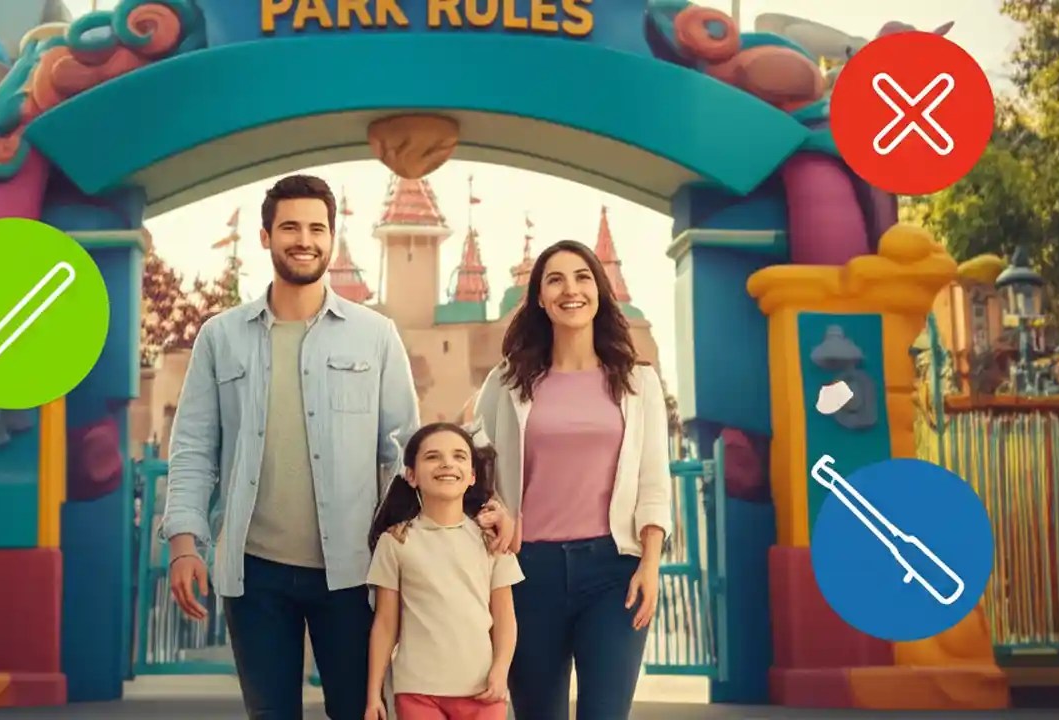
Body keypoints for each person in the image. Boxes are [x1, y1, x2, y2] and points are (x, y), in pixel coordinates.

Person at [161, 174, 490, 719]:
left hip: (355, 570)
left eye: (317, 227)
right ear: (266, 237)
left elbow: (406, 452)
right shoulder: (221, 337)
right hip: (254, 570)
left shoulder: (375, 334)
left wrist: (470, 514)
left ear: (332, 238)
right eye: (290, 226)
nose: (304, 239)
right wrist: (183, 541)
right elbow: (194, 446)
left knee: (359, 711)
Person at [472, 239, 675, 720]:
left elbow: (653, 481)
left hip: (613, 572)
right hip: (526, 572)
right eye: (555, 280)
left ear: (600, 291)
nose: (571, 290)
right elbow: (474, 472)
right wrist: (493, 512)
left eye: (583, 277)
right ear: (540, 297)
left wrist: (650, 564)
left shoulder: (637, 383)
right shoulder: (505, 384)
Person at [364, 423, 522, 720]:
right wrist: (374, 695)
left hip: (483, 691)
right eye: (433, 457)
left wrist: (500, 672)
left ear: (472, 475)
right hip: (417, 691)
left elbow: (505, 618)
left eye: (460, 456)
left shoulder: (491, 540)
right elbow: (385, 623)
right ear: (411, 475)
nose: (447, 463)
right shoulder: (395, 541)